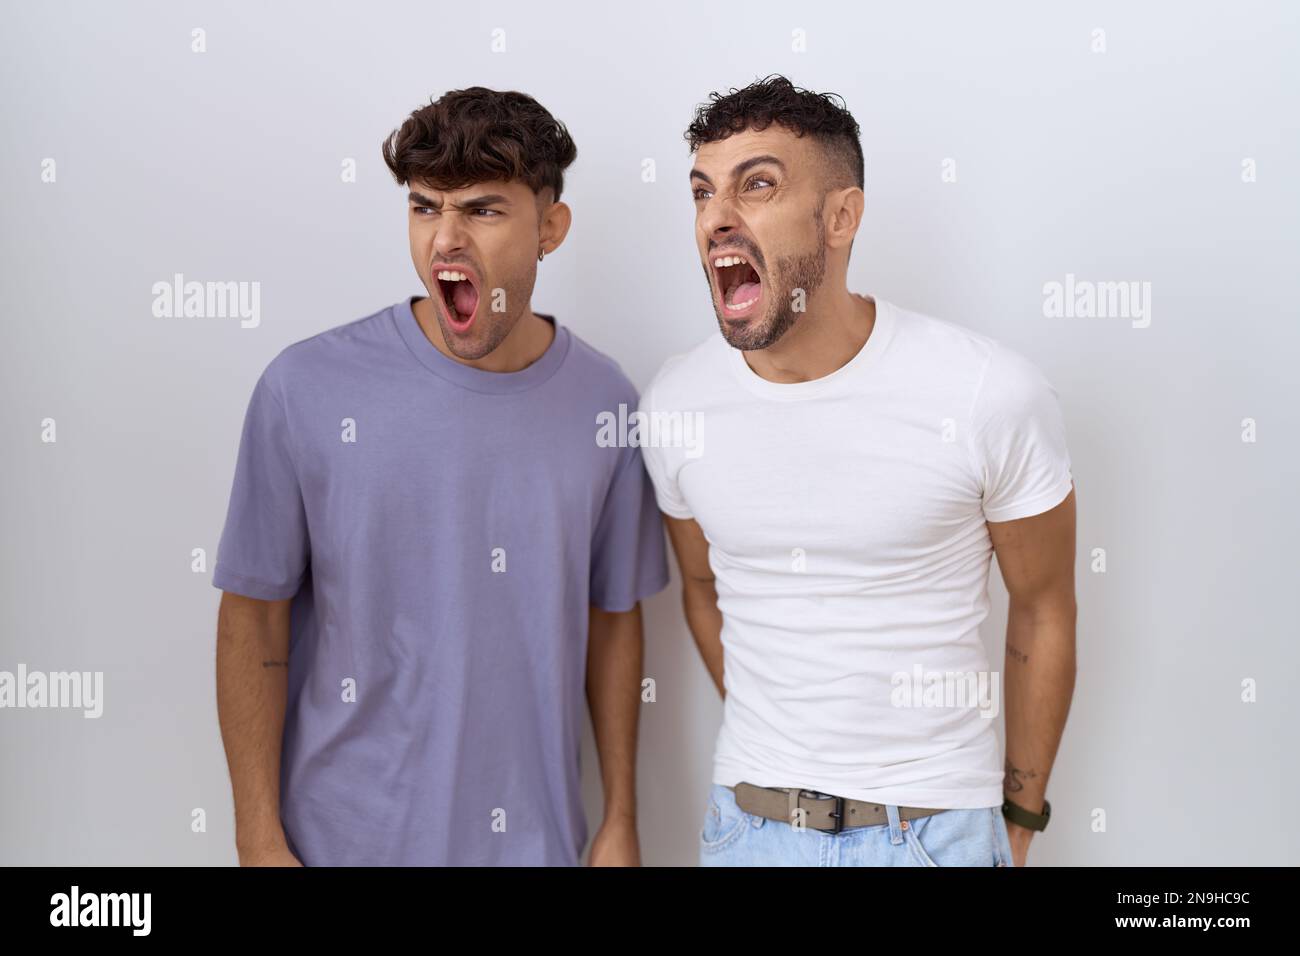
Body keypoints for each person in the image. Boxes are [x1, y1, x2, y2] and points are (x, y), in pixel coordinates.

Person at [212, 87, 668, 866]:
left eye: (483, 211)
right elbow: (253, 617)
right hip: (337, 844)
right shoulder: (306, 388)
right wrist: (257, 832)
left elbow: (613, 617)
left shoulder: (607, 402)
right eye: (426, 208)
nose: (446, 241)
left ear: (550, 228)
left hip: (536, 843)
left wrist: (620, 816)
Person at [639, 75, 1076, 866]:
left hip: (936, 832)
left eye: (758, 185)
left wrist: (1018, 817)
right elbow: (701, 589)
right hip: (749, 831)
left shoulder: (986, 393)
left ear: (842, 216)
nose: (717, 218)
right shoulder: (676, 404)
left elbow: (1044, 609)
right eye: (703, 192)